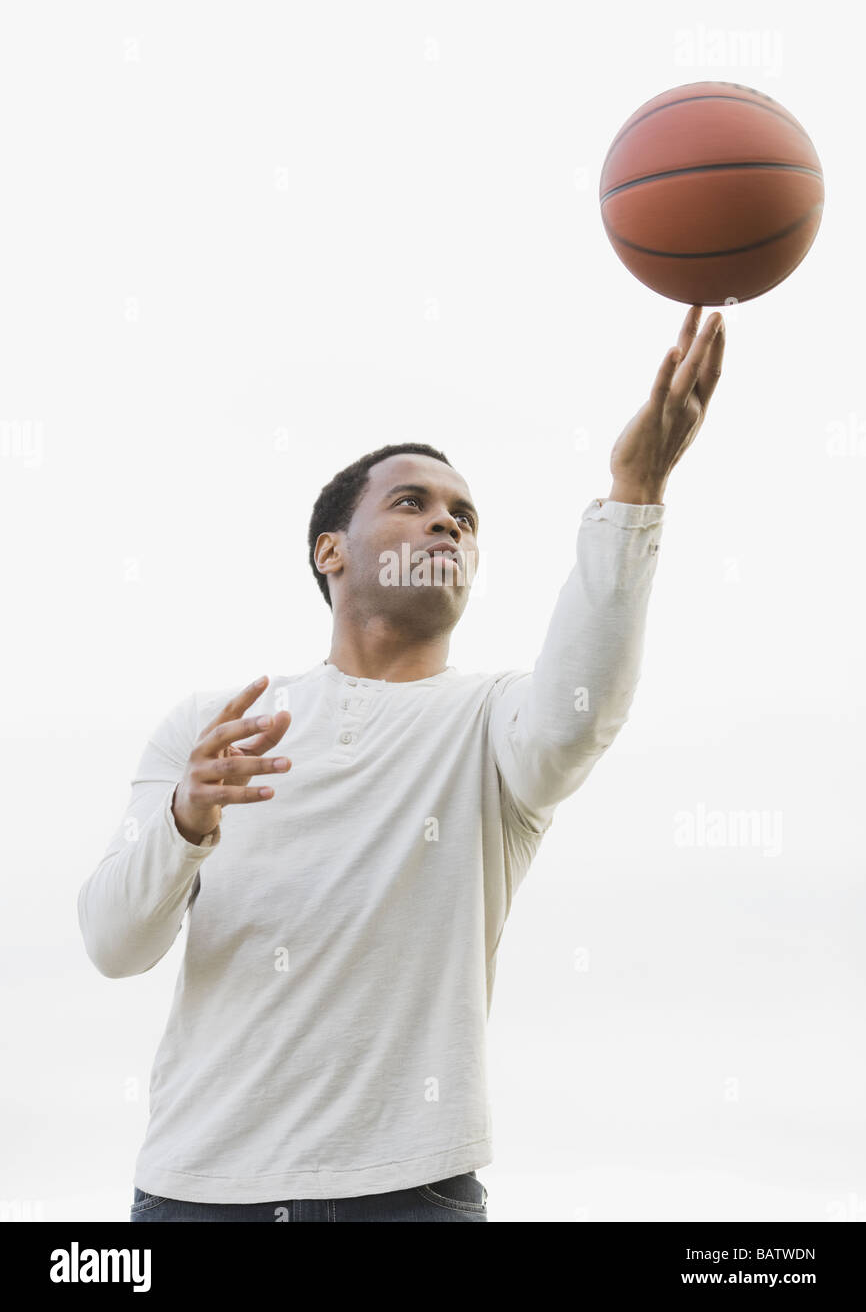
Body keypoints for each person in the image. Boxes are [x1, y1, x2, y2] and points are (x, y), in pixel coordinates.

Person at [78, 305, 726, 1222]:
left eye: (465, 516)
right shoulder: (212, 726)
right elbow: (113, 943)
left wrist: (635, 488)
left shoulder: (495, 721)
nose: (447, 527)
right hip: (198, 1191)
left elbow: (579, 717)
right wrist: (185, 819)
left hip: (411, 1192)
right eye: (412, 504)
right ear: (329, 551)